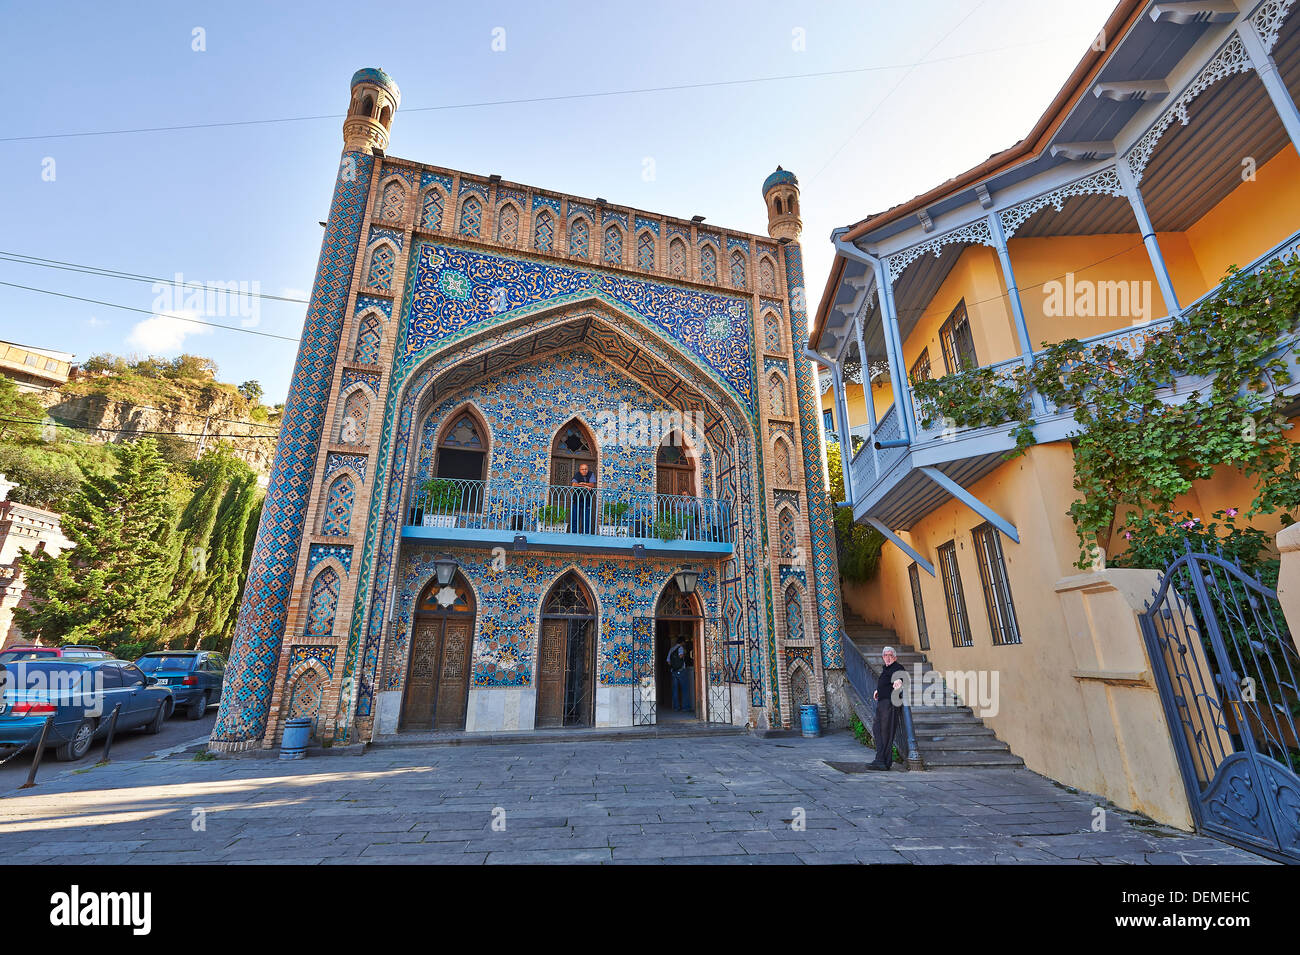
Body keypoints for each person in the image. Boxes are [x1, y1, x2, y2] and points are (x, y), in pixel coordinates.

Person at [868, 646, 905, 770]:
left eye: (890, 655)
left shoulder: (897, 668)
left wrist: (899, 683)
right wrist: (878, 690)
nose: (887, 657)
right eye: (885, 655)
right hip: (883, 702)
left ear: (895, 657)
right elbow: (887, 682)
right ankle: (883, 761)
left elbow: (900, 678)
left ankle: (882, 761)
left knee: (885, 732)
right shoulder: (887, 669)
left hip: (890, 704)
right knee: (878, 730)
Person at [569, 462, 596, 534]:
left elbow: (592, 485)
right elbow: (574, 484)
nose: (584, 471)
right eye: (582, 469)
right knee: (575, 517)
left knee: (586, 517)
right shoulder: (577, 474)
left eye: (585, 469)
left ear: (588, 469)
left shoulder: (591, 474)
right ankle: (574, 533)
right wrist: (586, 486)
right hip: (576, 500)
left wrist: (583, 483)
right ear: (580, 470)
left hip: (587, 500)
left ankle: (586, 533)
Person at [667, 638, 688, 711]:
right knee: (684, 689)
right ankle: (685, 707)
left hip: (673, 671)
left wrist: (674, 665)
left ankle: (676, 707)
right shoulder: (681, 648)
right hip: (681, 671)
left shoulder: (672, 649)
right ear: (682, 642)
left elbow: (668, 662)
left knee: (675, 690)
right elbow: (681, 656)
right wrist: (685, 653)